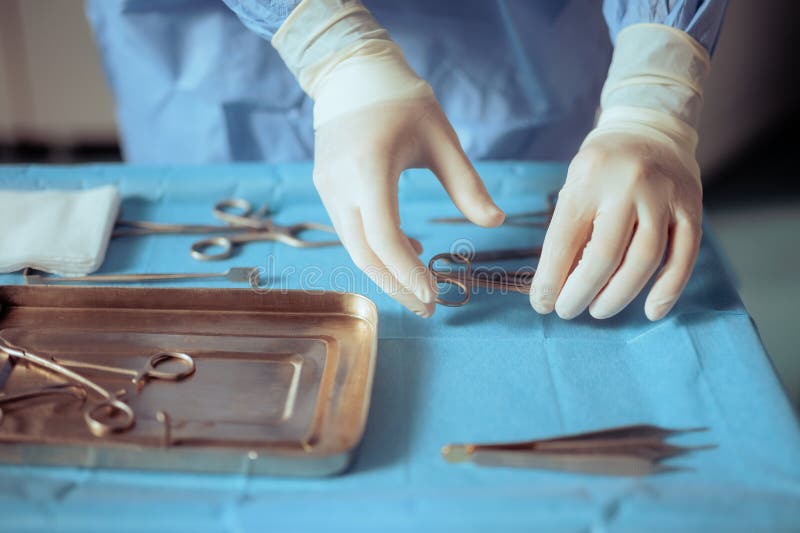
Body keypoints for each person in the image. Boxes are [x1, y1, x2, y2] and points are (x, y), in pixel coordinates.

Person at [87, 0, 728, 320]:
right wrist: (323, 39)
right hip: (211, 44)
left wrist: (653, 91)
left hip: (510, 36)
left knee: (554, 217)